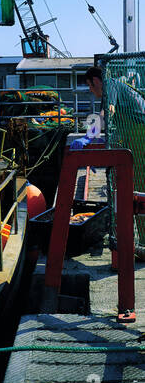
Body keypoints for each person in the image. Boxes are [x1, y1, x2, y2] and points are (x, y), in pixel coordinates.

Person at [84, 66, 145, 260]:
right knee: (134, 187)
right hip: (134, 134)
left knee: (139, 188)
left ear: (96, 81)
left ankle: (139, 245)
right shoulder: (117, 85)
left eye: (90, 86)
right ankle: (140, 243)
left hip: (140, 133)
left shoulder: (110, 85)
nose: (91, 91)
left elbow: (107, 112)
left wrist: (89, 137)